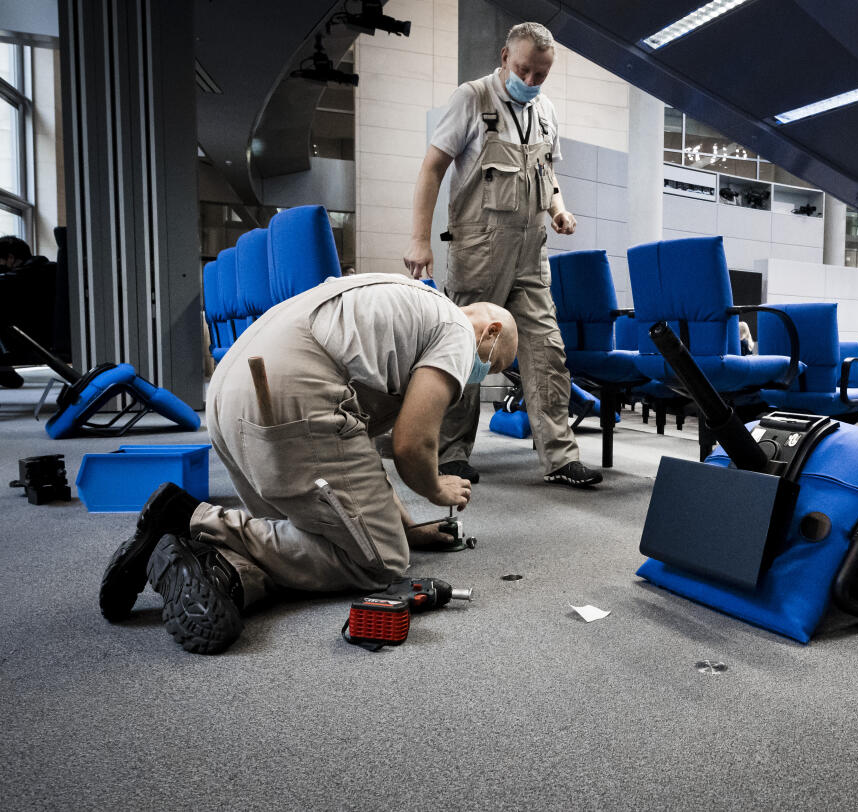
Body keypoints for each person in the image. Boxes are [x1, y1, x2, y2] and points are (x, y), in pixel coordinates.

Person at [97, 273, 518, 654]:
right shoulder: (458, 331)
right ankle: (189, 519)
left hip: (232, 397)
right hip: (289, 396)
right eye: (493, 364)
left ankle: (222, 570)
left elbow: (357, 457)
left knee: (305, 535)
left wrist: (409, 527)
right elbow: (414, 444)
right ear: (491, 331)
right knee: (380, 561)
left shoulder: (400, 302)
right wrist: (436, 487)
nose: (483, 373)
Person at [403, 21, 602, 489]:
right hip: (480, 246)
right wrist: (419, 240)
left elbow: (547, 174)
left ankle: (559, 457)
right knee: (467, 347)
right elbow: (432, 169)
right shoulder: (471, 98)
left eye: (540, 75)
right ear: (504, 56)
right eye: (523, 70)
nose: (531, 81)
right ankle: (451, 454)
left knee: (547, 351)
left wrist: (559, 208)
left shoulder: (546, 111)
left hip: (532, 252)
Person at [0, 236, 57, 388]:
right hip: (48, 337)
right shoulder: (52, 270)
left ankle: (4, 373)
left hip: (27, 340)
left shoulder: (16, 279)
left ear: (10, 258)